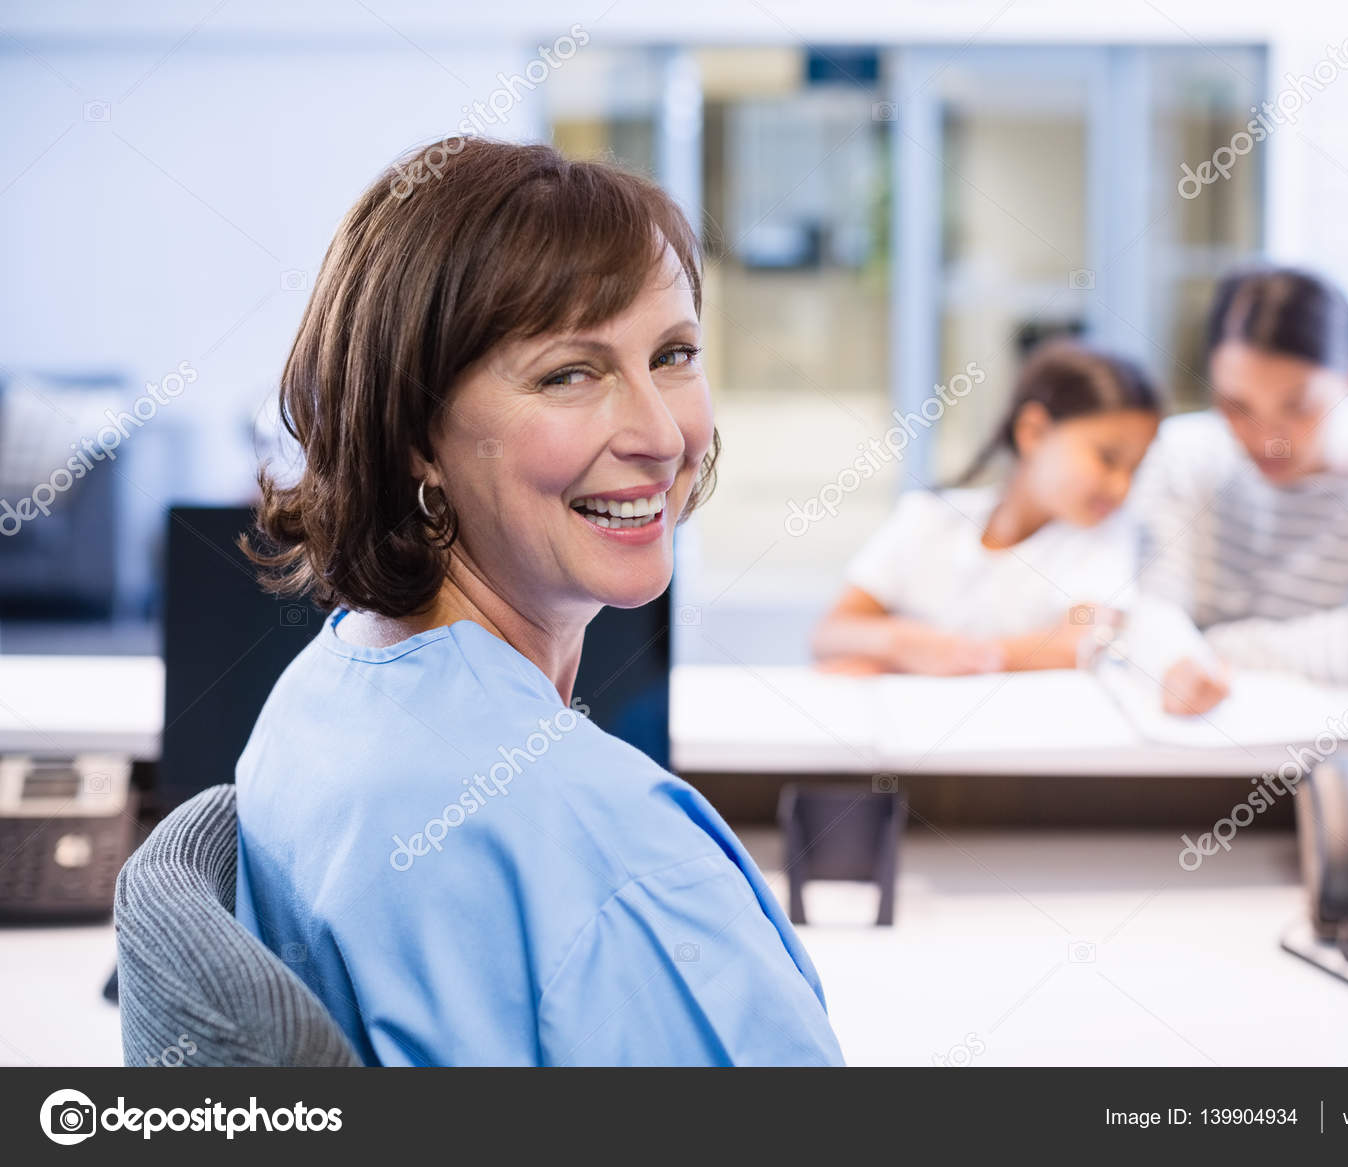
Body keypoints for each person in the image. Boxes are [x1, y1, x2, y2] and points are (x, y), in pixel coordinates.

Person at [233, 137, 843, 1067]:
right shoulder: (616, 861)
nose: (658, 433)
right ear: (415, 434)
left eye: (674, 354)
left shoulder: (323, 695)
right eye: (571, 372)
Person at [813, 340, 1212, 704]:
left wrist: (927, 658)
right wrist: (906, 646)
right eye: (1107, 458)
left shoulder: (1103, 535)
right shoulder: (927, 517)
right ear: (1033, 433)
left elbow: (1082, 640)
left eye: (1135, 469)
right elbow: (831, 633)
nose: (1122, 487)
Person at [1135, 266, 1348, 689]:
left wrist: (1198, 649)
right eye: (1237, 407)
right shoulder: (1182, 456)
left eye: (1298, 408)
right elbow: (1146, 613)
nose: (1268, 440)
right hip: (1193, 739)